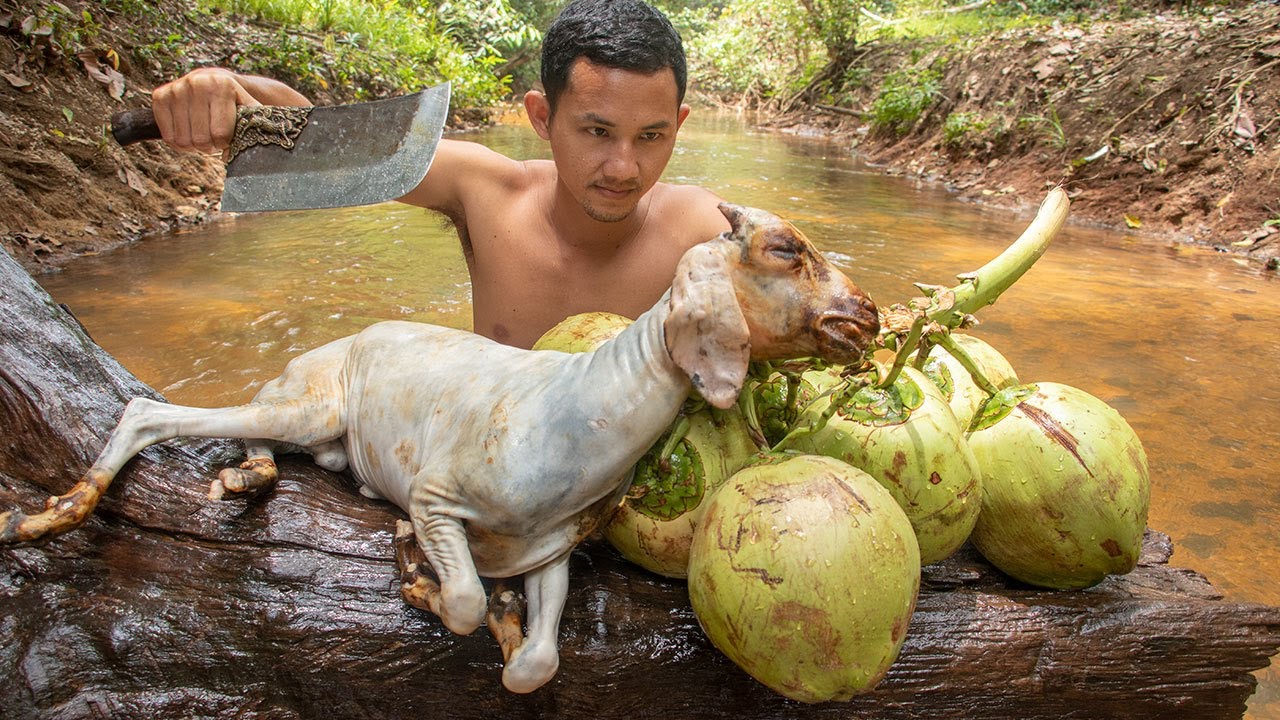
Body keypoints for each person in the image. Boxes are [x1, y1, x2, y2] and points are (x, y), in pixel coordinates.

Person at [150, 0, 730, 349]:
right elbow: (329, 145)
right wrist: (227, 91)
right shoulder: (487, 193)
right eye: (597, 132)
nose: (624, 167)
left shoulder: (706, 230)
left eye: (651, 137)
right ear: (541, 117)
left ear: (678, 125)